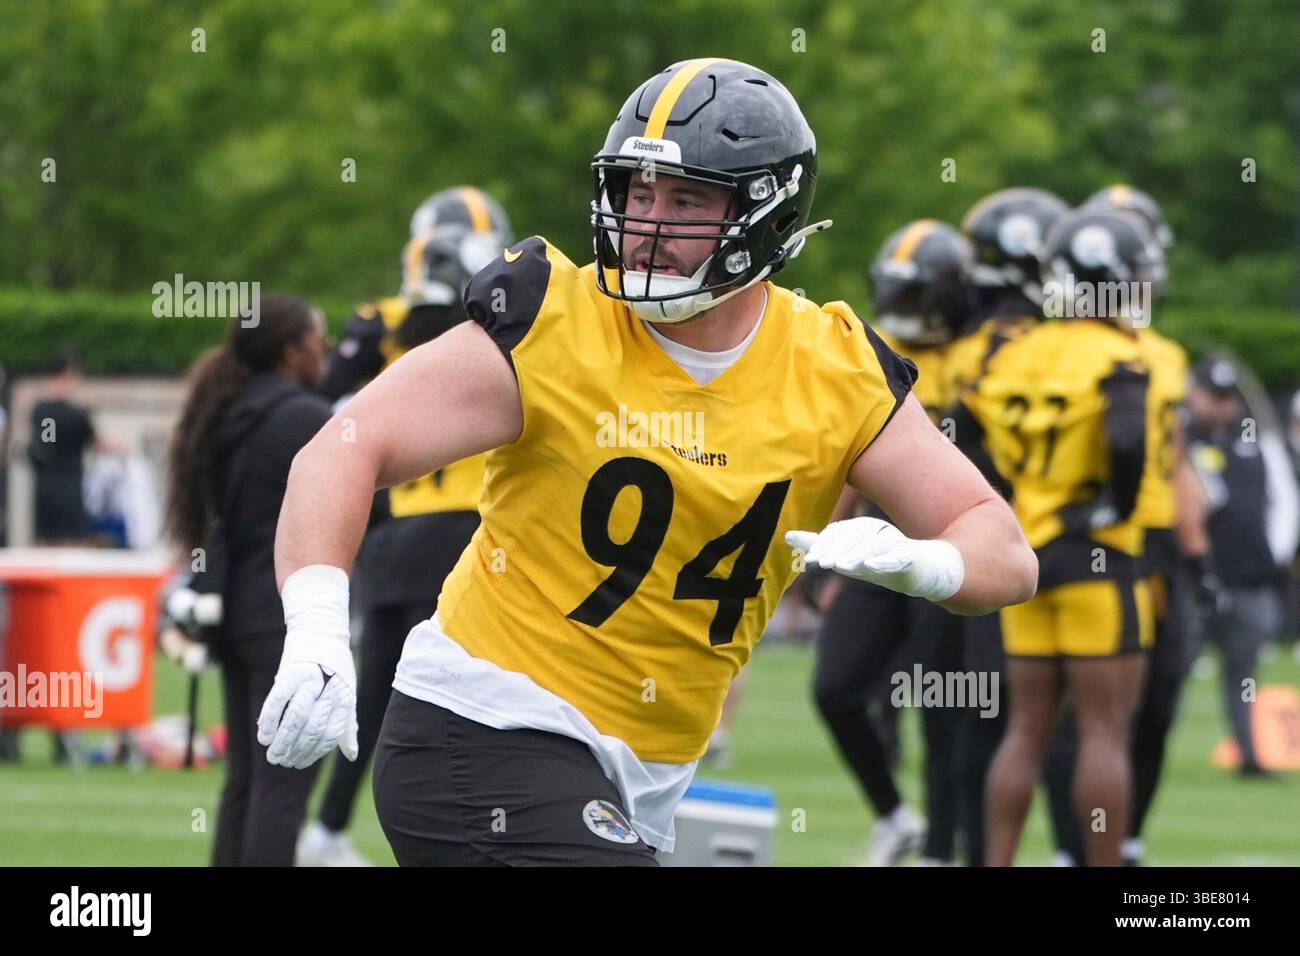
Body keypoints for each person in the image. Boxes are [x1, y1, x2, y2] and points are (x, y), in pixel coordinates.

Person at [261, 58, 1037, 866]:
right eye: (636, 193)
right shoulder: (558, 318)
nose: (647, 223)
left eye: (686, 199)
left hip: (639, 772)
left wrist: (923, 561)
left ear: (766, 213)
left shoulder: (833, 364)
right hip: (484, 721)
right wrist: (315, 626)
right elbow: (343, 449)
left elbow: (1003, 549)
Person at [297, 187, 512, 867]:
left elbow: (329, 408)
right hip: (461, 534)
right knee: (465, 700)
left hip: (392, 533)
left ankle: (328, 827)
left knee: (378, 692)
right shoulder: (491, 327)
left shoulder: (381, 324)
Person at [963, 208, 1163, 866]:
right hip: (1096, 553)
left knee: (1025, 730)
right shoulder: (1120, 353)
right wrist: (1114, 507)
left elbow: (967, 439)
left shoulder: (1015, 351)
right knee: (1104, 732)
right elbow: (1129, 435)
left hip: (1027, 553)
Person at [1041, 186, 1209, 866]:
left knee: (1155, 697)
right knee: (1072, 713)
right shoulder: (1091, 353)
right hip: (1098, 537)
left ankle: (1124, 840)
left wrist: (1196, 557)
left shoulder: (1162, 353)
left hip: (1148, 540)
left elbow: (1175, 461)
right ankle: (1071, 849)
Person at [812, 219, 972, 865]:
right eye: (896, 294)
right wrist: (826, 548)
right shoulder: (874, 353)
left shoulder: (980, 355)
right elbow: (854, 453)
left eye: (917, 295)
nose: (903, 311)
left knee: (940, 704)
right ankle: (894, 816)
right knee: (836, 688)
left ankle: (939, 847)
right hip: (878, 539)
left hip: (946, 545)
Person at [164, 294, 331, 866]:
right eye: (318, 340)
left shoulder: (227, 409)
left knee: (244, 780)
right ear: (291, 351)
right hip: (285, 611)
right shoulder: (303, 417)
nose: (326, 351)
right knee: (282, 782)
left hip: (232, 608)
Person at [943, 187, 1069, 866]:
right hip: (1020, 544)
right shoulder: (1037, 347)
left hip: (964, 542)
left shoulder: (969, 344)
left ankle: (961, 850)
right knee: (1021, 721)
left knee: (979, 718)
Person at [1185, 357, 1291, 777]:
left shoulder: (1254, 444)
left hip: (1247, 582)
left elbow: (1282, 504)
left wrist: (1272, 558)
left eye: (1227, 398)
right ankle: (1143, 748)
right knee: (1171, 673)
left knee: (1244, 676)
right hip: (1196, 580)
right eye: (1212, 396)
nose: (1220, 406)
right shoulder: (1178, 439)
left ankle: (1250, 755)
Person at [27, 349, 124, 545]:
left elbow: (46, 443)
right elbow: (95, 441)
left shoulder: (41, 410)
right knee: (69, 545)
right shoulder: (75, 414)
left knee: (45, 544)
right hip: (69, 487)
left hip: (45, 487)